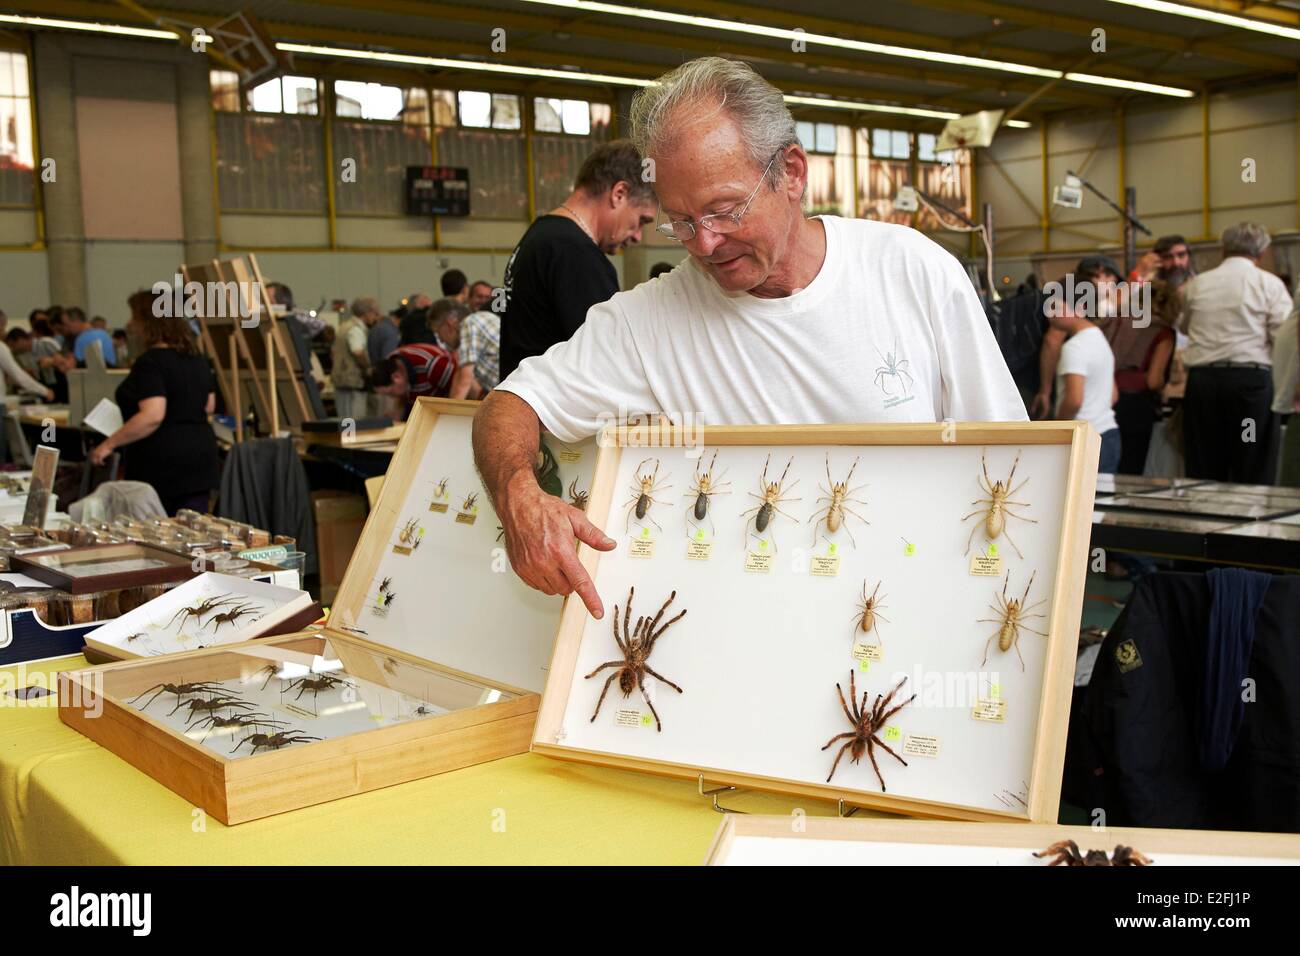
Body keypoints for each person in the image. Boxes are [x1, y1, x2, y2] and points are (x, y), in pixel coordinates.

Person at [473, 56, 1025, 618]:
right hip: (751, 629)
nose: (705, 243)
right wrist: (518, 491)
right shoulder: (647, 322)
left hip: (908, 609)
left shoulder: (912, 270)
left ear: (792, 172)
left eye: (724, 210)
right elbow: (508, 405)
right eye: (679, 222)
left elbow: (1011, 455)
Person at [497, 139, 658, 381]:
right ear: (619, 194)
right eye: (642, 220)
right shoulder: (576, 254)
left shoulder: (543, 235)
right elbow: (610, 364)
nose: (637, 236)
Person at [1178, 222, 1290, 483]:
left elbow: (1184, 326)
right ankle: (1250, 521)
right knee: (1251, 459)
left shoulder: (1197, 285)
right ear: (1262, 253)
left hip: (1203, 385)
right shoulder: (1268, 284)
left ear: (1223, 249)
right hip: (1248, 387)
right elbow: (1283, 336)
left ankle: (1203, 520)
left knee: (1204, 462)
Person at [89, 291, 218, 515]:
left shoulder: (150, 362)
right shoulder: (198, 358)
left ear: (149, 322)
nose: (130, 324)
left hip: (163, 464)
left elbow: (153, 415)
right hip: (200, 458)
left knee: (157, 535)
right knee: (195, 534)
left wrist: (108, 444)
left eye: (134, 317)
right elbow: (209, 406)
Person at [1095, 276, 1177, 475]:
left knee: (1103, 467)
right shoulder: (1162, 331)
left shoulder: (1115, 321)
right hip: (1136, 406)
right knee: (1130, 470)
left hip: (1104, 398)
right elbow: (1154, 379)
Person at [1049, 275, 1121, 472]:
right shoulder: (1099, 339)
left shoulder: (1075, 347)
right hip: (1109, 433)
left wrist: (1057, 430)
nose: (1049, 313)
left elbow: (1074, 400)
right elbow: (1113, 395)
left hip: (1085, 440)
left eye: (1055, 306)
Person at [370, 328, 460, 416]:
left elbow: (459, 389)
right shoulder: (391, 361)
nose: (391, 397)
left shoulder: (434, 365)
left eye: (391, 393)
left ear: (396, 377)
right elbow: (400, 403)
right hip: (426, 404)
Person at [332, 297, 381, 420]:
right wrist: (368, 368)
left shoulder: (344, 326)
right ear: (367, 313)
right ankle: (351, 439)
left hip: (341, 380)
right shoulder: (356, 330)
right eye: (375, 314)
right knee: (353, 420)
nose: (375, 318)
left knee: (345, 419)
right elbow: (358, 352)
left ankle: (348, 438)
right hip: (352, 382)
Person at [0, 318, 54, 402]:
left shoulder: (46, 343)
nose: (3, 332)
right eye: (2, 327)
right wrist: (44, 391)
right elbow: (18, 375)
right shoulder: (1, 347)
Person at [455, 306, 501, 399]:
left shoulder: (469, 322)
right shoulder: (486, 317)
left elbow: (465, 379)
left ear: (449, 324)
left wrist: (448, 411)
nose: (442, 341)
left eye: (438, 332)